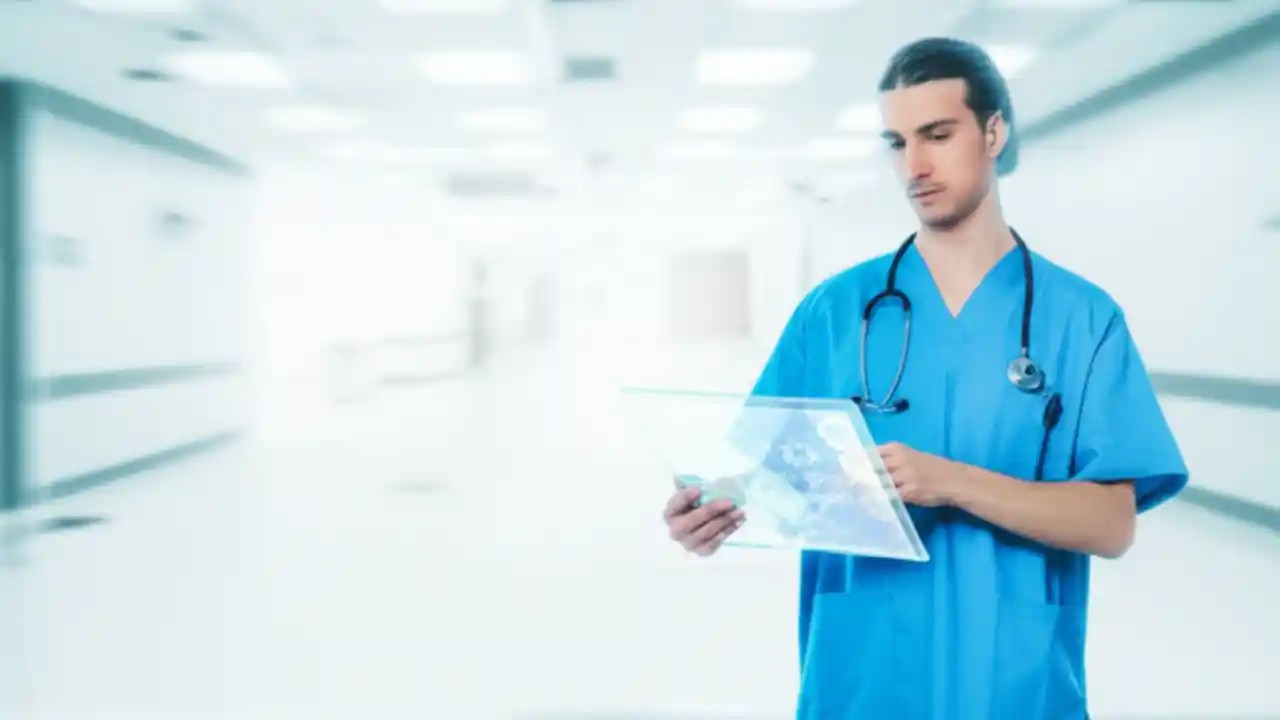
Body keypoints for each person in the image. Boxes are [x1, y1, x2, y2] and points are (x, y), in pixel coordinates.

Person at [661, 37, 1188, 719]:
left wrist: (953, 482)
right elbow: (767, 477)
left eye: (937, 135)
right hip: (864, 672)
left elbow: (1112, 525)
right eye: (897, 142)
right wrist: (711, 511)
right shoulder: (834, 312)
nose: (914, 165)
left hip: (1012, 679)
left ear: (993, 133)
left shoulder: (1082, 319)